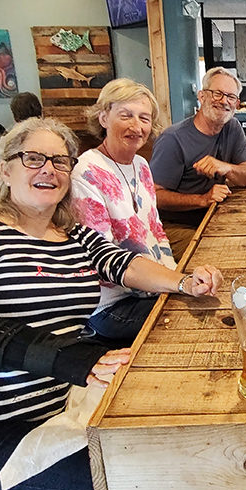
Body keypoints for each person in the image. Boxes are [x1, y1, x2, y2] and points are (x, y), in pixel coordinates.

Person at [0, 117, 221, 490]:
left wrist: (182, 281)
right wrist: (74, 361)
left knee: (160, 428)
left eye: (60, 160)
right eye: (33, 158)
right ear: (5, 170)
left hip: (55, 411)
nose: (49, 169)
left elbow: (121, 263)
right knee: (137, 472)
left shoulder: (71, 233)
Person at [71, 79, 176, 343]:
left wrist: (173, 277)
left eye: (144, 118)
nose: (136, 126)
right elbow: (103, 259)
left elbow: (156, 229)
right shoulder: (86, 172)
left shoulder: (141, 165)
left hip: (152, 288)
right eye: (125, 115)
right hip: (112, 306)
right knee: (186, 319)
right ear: (103, 117)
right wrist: (171, 286)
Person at [150, 67, 246, 261]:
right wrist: (202, 199)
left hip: (214, 218)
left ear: (237, 104)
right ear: (202, 96)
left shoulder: (232, 127)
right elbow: (154, 197)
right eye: (217, 93)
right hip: (175, 226)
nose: (224, 101)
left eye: (231, 97)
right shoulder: (173, 139)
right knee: (219, 258)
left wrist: (227, 167)